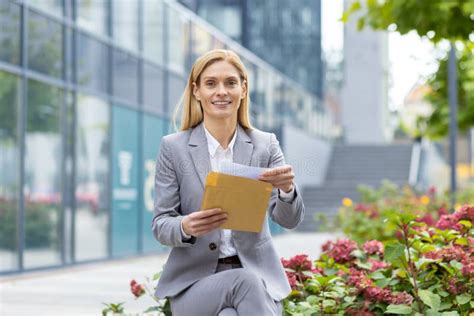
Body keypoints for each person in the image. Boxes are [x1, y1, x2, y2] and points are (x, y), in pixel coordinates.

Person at [152, 49, 305, 316]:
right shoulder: (173, 148)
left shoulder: (265, 146)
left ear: (244, 89)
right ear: (196, 90)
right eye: (211, 83)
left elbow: (289, 220)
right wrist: (186, 226)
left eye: (230, 83)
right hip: (194, 284)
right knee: (244, 283)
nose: (221, 91)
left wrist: (286, 190)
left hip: (258, 277)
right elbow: (161, 224)